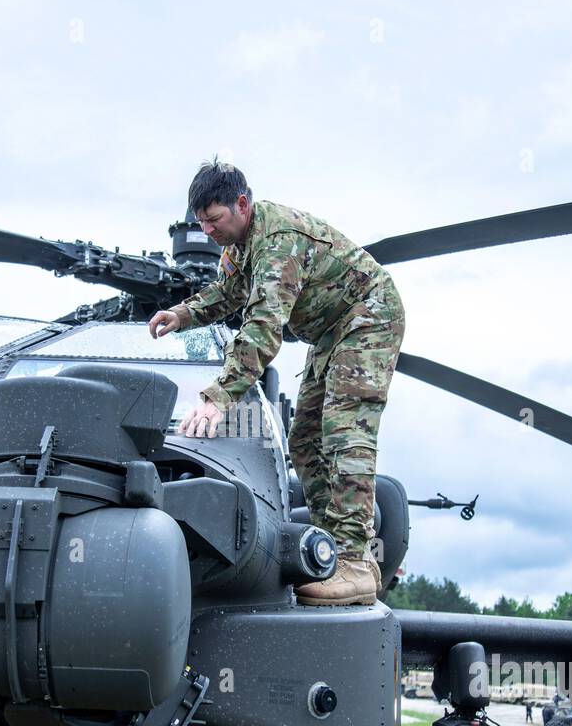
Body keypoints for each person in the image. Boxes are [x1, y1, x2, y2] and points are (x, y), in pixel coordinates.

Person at [149, 160, 405, 606]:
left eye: (214, 220)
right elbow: (227, 293)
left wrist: (219, 396)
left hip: (369, 318)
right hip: (331, 334)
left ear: (242, 204)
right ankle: (333, 553)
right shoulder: (237, 247)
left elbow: (264, 326)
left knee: (344, 433)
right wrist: (184, 313)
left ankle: (357, 562)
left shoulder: (277, 243)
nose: (208, 231)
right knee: (304, 439)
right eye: (202, 223)